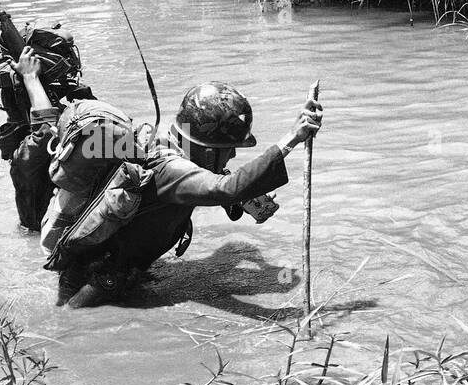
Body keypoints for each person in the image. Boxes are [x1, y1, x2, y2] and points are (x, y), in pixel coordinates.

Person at [33, 79, 323, 307]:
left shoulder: (161, 143)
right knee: (69, 326)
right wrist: (291, 139)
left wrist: (245, 201)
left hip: (106, 269)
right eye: (229, 149)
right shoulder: (172, 168)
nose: (233, 154)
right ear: (208, 150)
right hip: (99, 282)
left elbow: (218, 185)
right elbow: (225, 188)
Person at [0, 23, 93, 231]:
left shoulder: (27, 155)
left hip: (55, 246)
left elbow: (47, 129)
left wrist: (30, 77)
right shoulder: (82, 117)